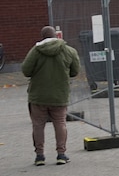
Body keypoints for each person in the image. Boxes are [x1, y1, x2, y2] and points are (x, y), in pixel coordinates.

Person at [22, 25, 82, 166]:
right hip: (59, 95)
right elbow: (75, 72)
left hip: (38, 96)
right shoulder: (69, 51)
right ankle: (61, 154)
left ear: (42, 37)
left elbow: (26, 70)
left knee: (38, 126)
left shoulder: (35, 51)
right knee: (60, 124)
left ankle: (39, 156)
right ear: (56, 36)